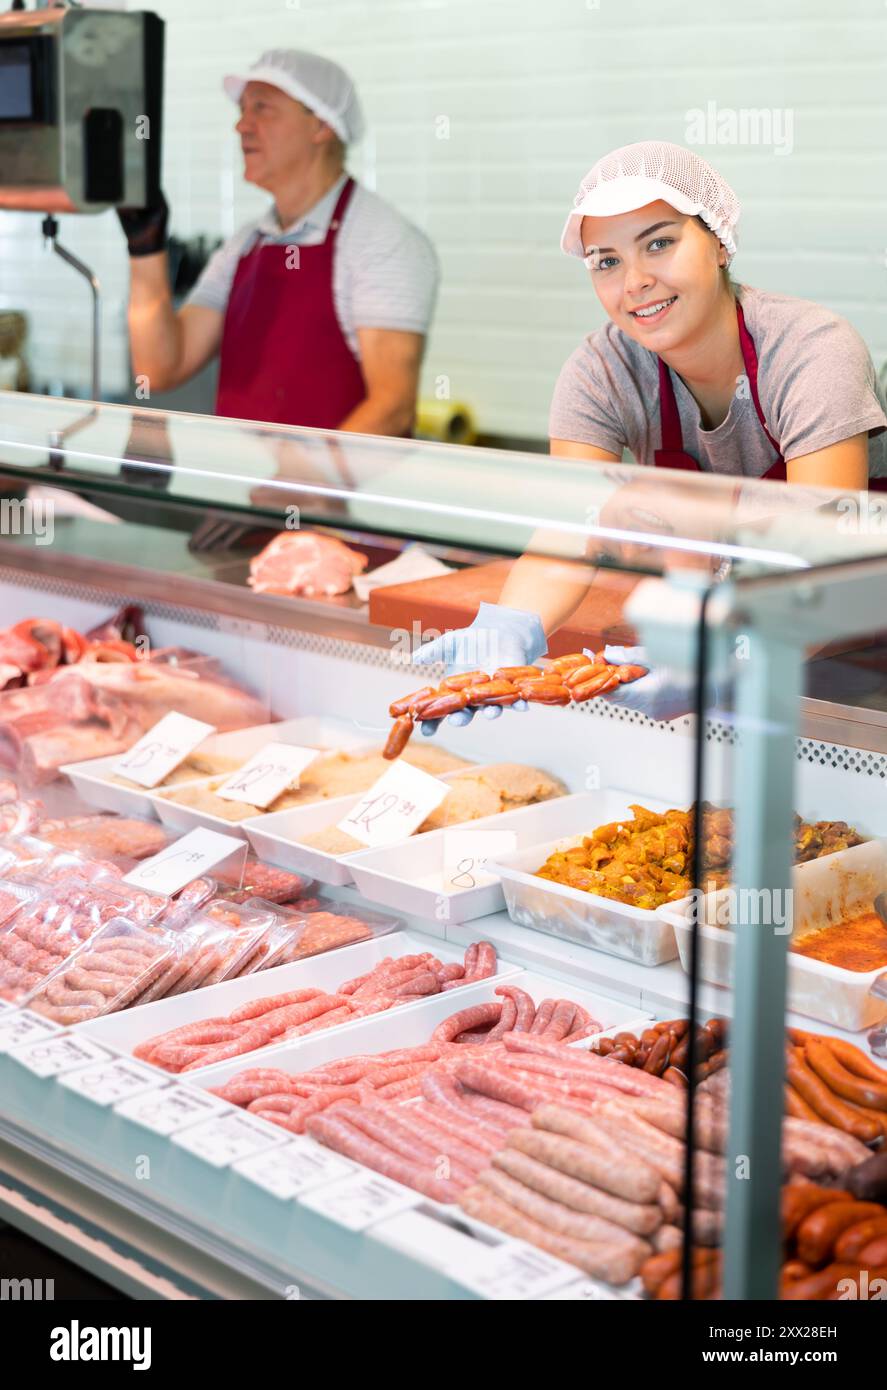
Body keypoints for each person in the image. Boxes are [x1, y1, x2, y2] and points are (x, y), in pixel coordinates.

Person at [416, 140, 887, 724]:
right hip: (729, 637)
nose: (634, 281)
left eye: (659, 243)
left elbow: (824, 559)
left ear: (718, 242)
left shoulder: (813, 350)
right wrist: (512, 625)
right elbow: (570, 529)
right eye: (605, 260)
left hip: (858, 660)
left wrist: (726, 662)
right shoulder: (601, 371)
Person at [118, 49, 439, 436]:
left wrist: (304, 487)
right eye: (242, 110)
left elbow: (392, 410)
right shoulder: (246, 244)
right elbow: (159, 370)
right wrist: (146, 250)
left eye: (262, 108)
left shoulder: (383, 241)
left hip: (332, 495)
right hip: (238, 492)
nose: (242, 126)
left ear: (321, 126)